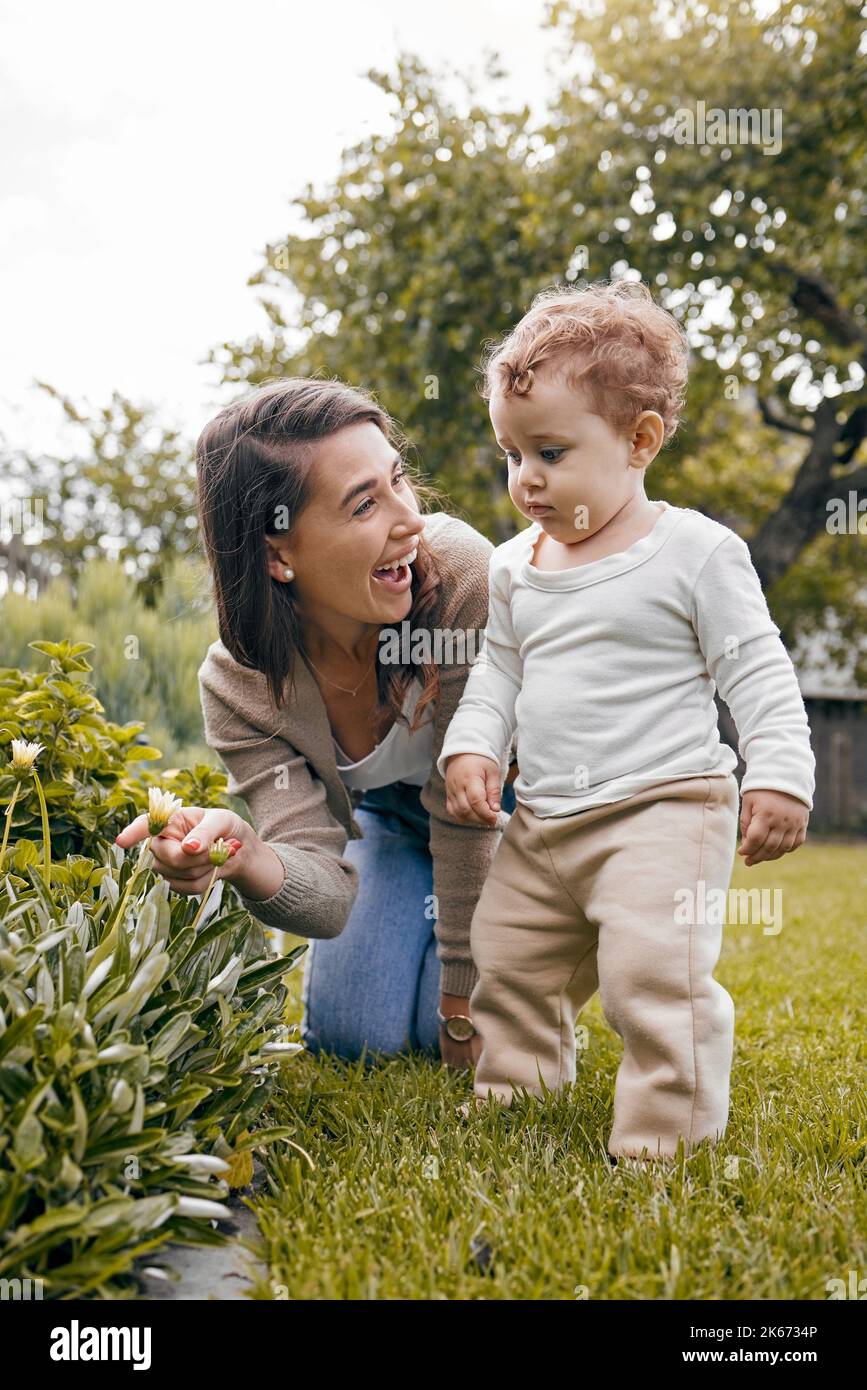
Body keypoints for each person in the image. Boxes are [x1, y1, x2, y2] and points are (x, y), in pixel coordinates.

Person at [438, 280, 816, 1159]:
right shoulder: (512, 568)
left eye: (550, 452)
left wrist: (779, 773)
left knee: (652, 973)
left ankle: (663, 1135)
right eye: (510, 453)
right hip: (543, 818)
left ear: (639, 441)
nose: (524, 479)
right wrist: (471, 745)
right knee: (509, 955)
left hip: (664, 808)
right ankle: (516, 1089)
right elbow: (497, 670)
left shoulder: (694, 552)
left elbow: (755, 667)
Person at [114, 377, 516, 1069]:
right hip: (391, 824)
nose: (409, 521)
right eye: (364, 504)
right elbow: (322, 895)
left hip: (520, 812)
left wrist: (459, 998)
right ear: (277, 553)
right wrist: (246, 854)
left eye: (398, 481)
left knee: (451, 1028)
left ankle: (557, 948)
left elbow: (465, 811)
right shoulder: (241, 686)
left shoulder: (461, 581)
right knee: (353, 1039)